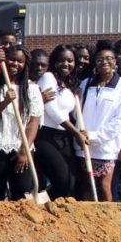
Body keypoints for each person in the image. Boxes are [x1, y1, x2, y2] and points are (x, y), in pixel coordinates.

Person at [0, 45, 42, 200]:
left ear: (25, 64)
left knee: (22, 194)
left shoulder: (32, 89)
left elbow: (34, 121)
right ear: (5, 60)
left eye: (20, 61)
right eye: (12, 59)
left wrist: (25, 151)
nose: (15, 64)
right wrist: (5, 102)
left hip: (20, 148)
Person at [76, 44, 121, 201]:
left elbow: (120, 121)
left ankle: (107, 220)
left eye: (109, 58)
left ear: (115, 61)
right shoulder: (86, 84)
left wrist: (94, 136)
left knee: (104, 186)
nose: (104, 62)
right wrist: (81, 135)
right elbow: (77, 111)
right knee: (87, 185)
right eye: (100, 59)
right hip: (84, 144)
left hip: (106, 145)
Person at [35, 45, 85, 200]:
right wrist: (75, 132)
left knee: (73, 182)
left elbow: (74, 112)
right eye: (61, 60)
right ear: (54, 62)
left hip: (64, 136)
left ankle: (52, 211)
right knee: (63, 181)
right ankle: (41, 206)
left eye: (70, 61)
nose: (66, 64)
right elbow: (51, 109)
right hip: (46, 135)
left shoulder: (69, 84)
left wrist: (81, 130)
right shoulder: (48, 78)